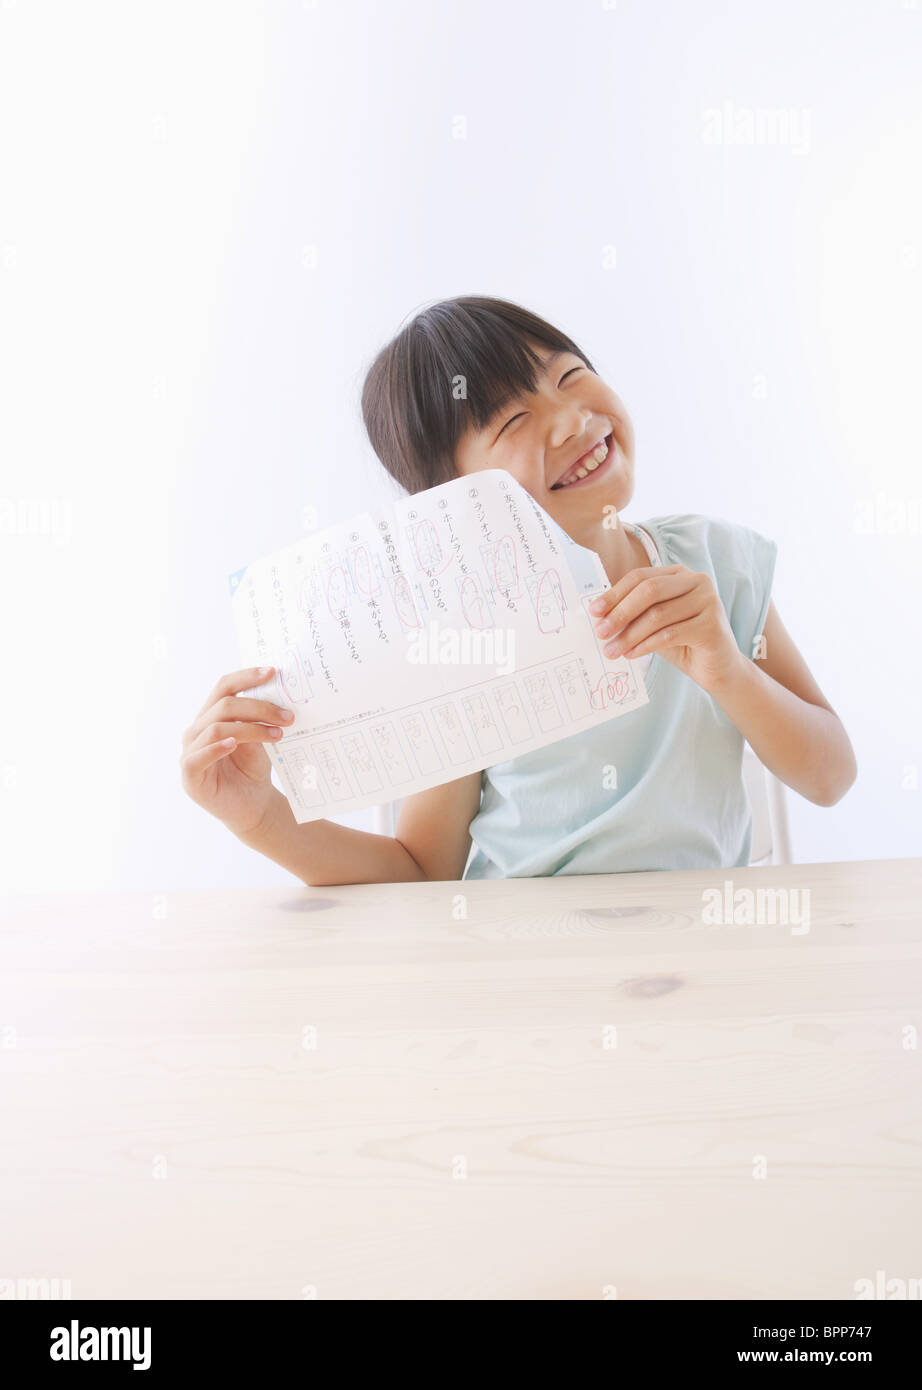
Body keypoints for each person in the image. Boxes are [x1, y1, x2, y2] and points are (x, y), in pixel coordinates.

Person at [180, 296, 857, 883]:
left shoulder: (720, 564)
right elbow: (421, 870)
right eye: (513, 423)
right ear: (452, 500)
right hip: (524, 971)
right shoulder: (464, 645)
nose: (570, 421)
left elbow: (830, 776)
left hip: (699, 962)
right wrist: (259, 818)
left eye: (570, 376)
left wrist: (728, 670)